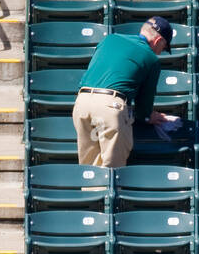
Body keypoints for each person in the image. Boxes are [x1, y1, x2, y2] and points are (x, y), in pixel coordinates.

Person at [72, 16, 178, 169]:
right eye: (163, 47)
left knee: (90, 171)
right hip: (110, 106)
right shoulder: (151, 58)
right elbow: (144, 106)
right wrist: (149, 116)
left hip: (82, 103)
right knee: (112, 174)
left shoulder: (110, 39)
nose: (160, 52)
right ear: (158, 41)